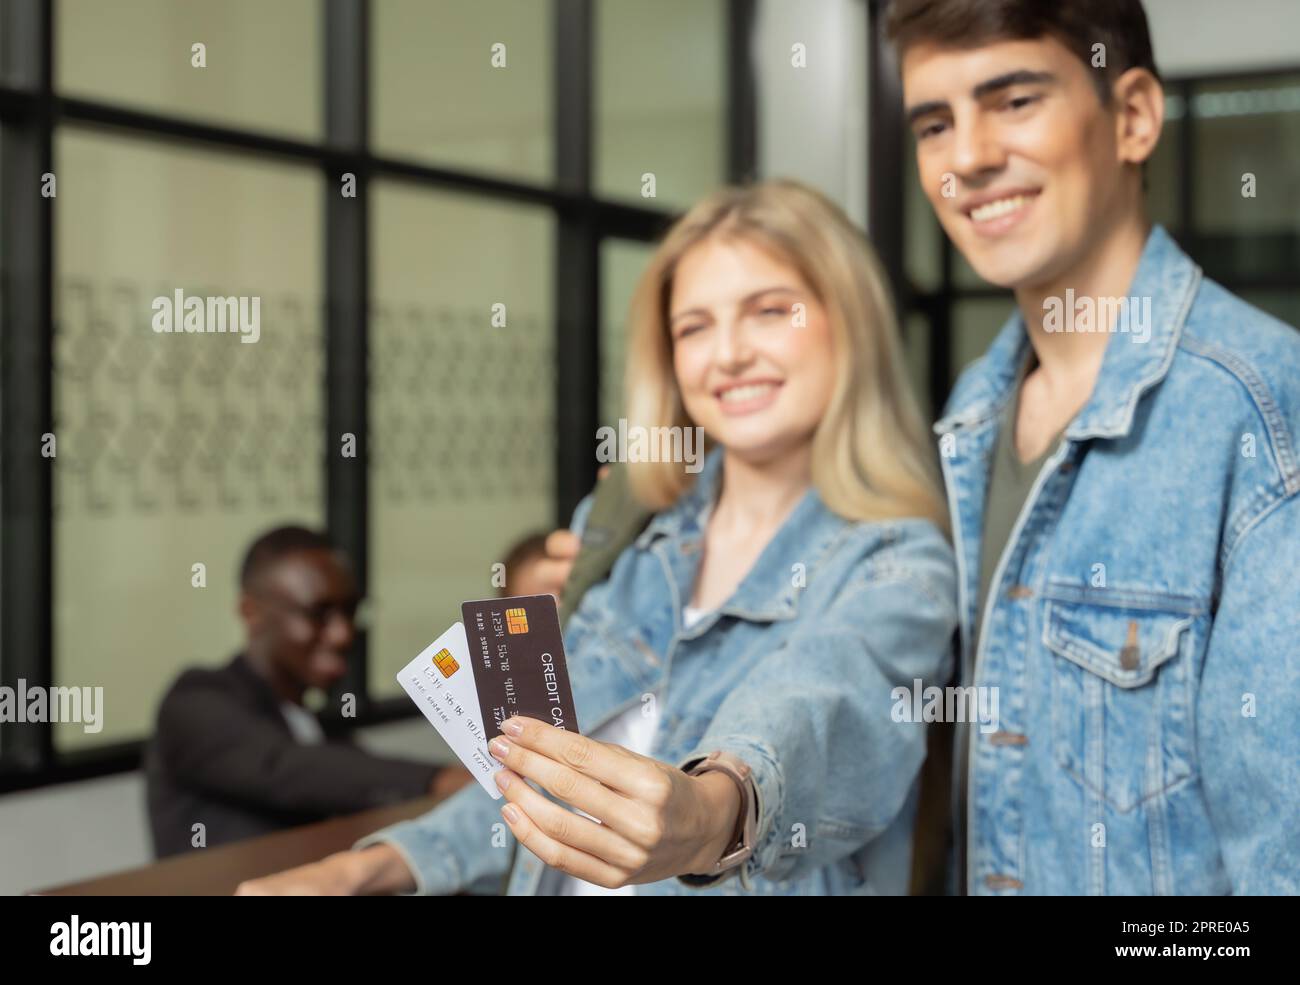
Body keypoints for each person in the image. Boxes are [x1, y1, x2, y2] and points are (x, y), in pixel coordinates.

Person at [235, 179, 958, 894]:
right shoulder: (621, 533)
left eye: (769, 311)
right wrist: (368, 867)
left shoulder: (897, 562)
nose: (728, 353)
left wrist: (711, 809)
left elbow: (824, 700)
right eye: (694, 326)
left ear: (850, 322)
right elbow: (530, 786)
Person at [887, 0, 1300, 894]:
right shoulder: (971, 412)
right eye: (934, 123)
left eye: (1015, 100)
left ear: (1135, 116)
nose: (968, 159)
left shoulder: (1261, 413)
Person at [146, 526, 471, 857]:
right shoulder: (194, 702)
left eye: (350, 611)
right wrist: (439, 781)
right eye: (318, 614)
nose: (343, 634)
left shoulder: (320, 725)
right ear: (251, 612)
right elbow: (284, 769)